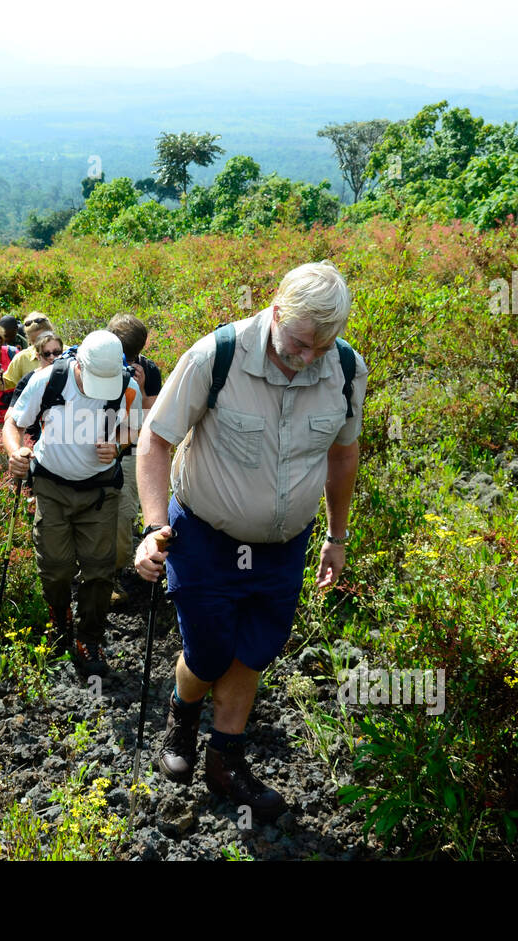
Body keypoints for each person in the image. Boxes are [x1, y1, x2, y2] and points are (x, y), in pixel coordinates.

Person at [133, 261, 368, 822]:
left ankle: (224, 759)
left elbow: (342, 453)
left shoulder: (345, 368)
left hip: (284, 546)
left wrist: (337, 536)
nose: (307, 356)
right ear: (277, 309)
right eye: (299, 342)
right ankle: (182, 715)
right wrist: (150, 524)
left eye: (323, 345)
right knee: (211, 650)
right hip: (205, 538)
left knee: (255, 648)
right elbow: (156, 438)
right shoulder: (216, 356)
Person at [4, 330, 142, 677]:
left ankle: (89, 639)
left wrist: (119, 446)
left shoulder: (127, 386)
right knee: (55, 566)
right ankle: (60, 614)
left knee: (99, 569)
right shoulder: (48, 380)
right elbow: (13, 421)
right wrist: (16, 452)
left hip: (100, 491)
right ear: (78, 363)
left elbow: (136, 429)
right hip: (52, 485)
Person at [105, 313, 163, 609]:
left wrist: (139, 390)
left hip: (130, 452)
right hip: (95, 446)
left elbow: (153, 417)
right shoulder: (100, 363)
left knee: (122, 515)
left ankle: (114, 573)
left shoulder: (149, 370)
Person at [2, 313, 55, 393]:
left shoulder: (68, 354)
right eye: (34, 341)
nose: (39, 344)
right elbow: (5, 384)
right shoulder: (22, 358)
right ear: (29, 340)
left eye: (43, 339)